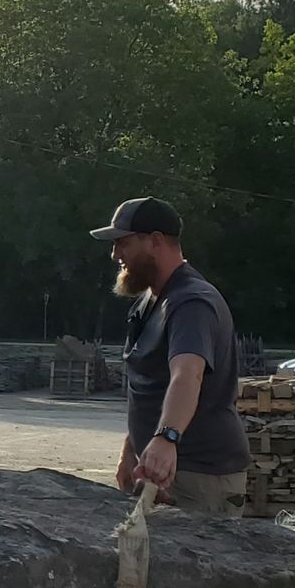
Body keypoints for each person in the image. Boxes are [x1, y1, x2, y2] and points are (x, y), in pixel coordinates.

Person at [91, 197, 251, 513]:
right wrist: (132, 448)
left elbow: (186, 374)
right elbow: (150, 387)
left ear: (155, 241)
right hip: (162, 468)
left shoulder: (191, 303)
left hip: (198, 476)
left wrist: (166, 439)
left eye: (122, 243)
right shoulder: (150, 302)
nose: (115, 255)